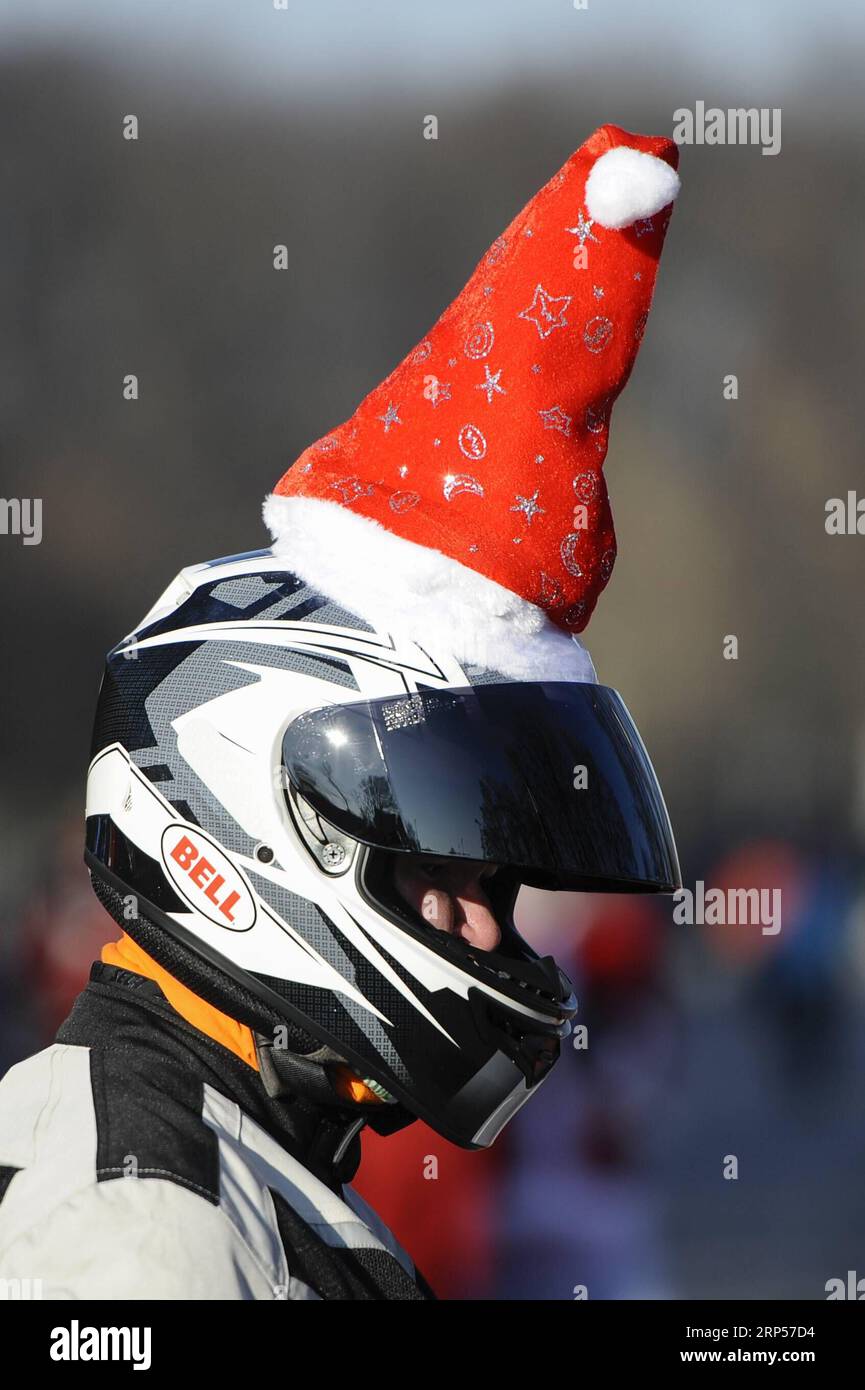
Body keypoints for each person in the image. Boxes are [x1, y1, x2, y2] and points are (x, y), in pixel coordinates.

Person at [0, 124, 682, 1300]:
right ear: (264, 807)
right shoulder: (148, 1239)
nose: (484, 931)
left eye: (494, 887)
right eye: (450, 871)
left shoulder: (236, 1145)